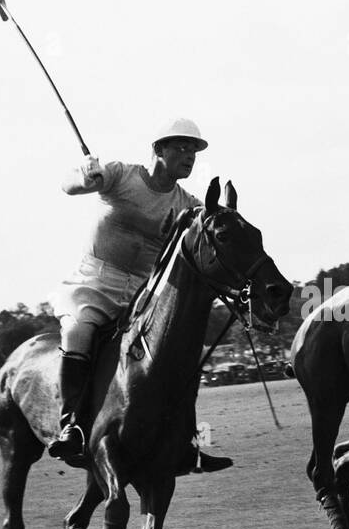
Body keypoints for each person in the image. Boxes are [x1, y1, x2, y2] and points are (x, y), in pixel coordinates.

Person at [48, 118, 232, 472]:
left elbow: (211, 227)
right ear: (158, 149)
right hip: (94, 283)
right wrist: (84, 175)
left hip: (142, 295)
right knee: (77, 333)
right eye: (181, 147)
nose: (189, 156)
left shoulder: (187, 205)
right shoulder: (121, 175)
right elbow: (68, 186)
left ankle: (185, 443)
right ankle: (71, 425)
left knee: (179, 356)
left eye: (193, 150)